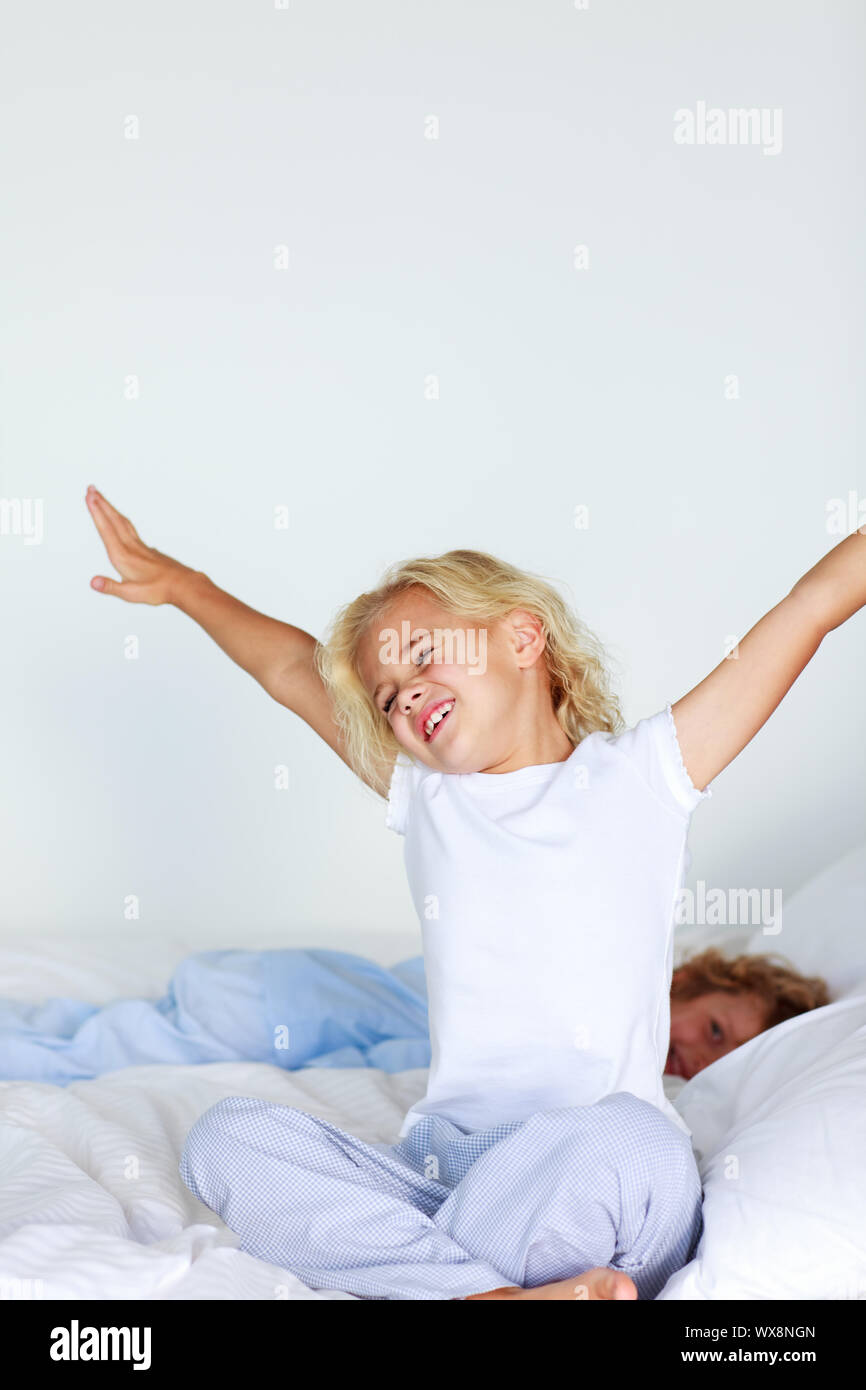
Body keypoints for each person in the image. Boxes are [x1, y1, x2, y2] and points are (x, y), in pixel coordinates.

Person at [84, 486, 865, 1300]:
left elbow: (809, 610)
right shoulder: (425, 796)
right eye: (386, 696)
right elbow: (289, 665)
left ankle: (445, 1281)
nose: (405, 693)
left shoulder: (646, 776)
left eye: (422, 657)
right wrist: (183, 587)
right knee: (225, 1138)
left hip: (589, 1170)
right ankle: (489, 1294)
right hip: (446, 1173)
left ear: (523, 636)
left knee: (638, 1145)